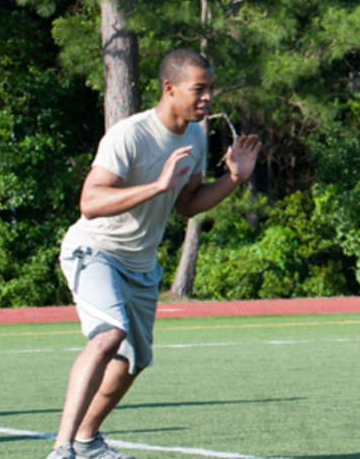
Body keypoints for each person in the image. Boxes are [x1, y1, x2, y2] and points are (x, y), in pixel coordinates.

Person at [47, 50, 261, 459]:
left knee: (133, 361)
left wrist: (234, 178)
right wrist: (157, 186)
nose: (208, 98)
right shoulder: (130, 135)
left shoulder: (196, 136)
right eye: (199, 89)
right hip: (95, 251)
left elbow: (188, 204)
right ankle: (62, 450)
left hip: (140, 265)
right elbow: (90, 201)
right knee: (110, 335)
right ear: (170, 89)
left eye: (210, 89)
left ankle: (87, 441)